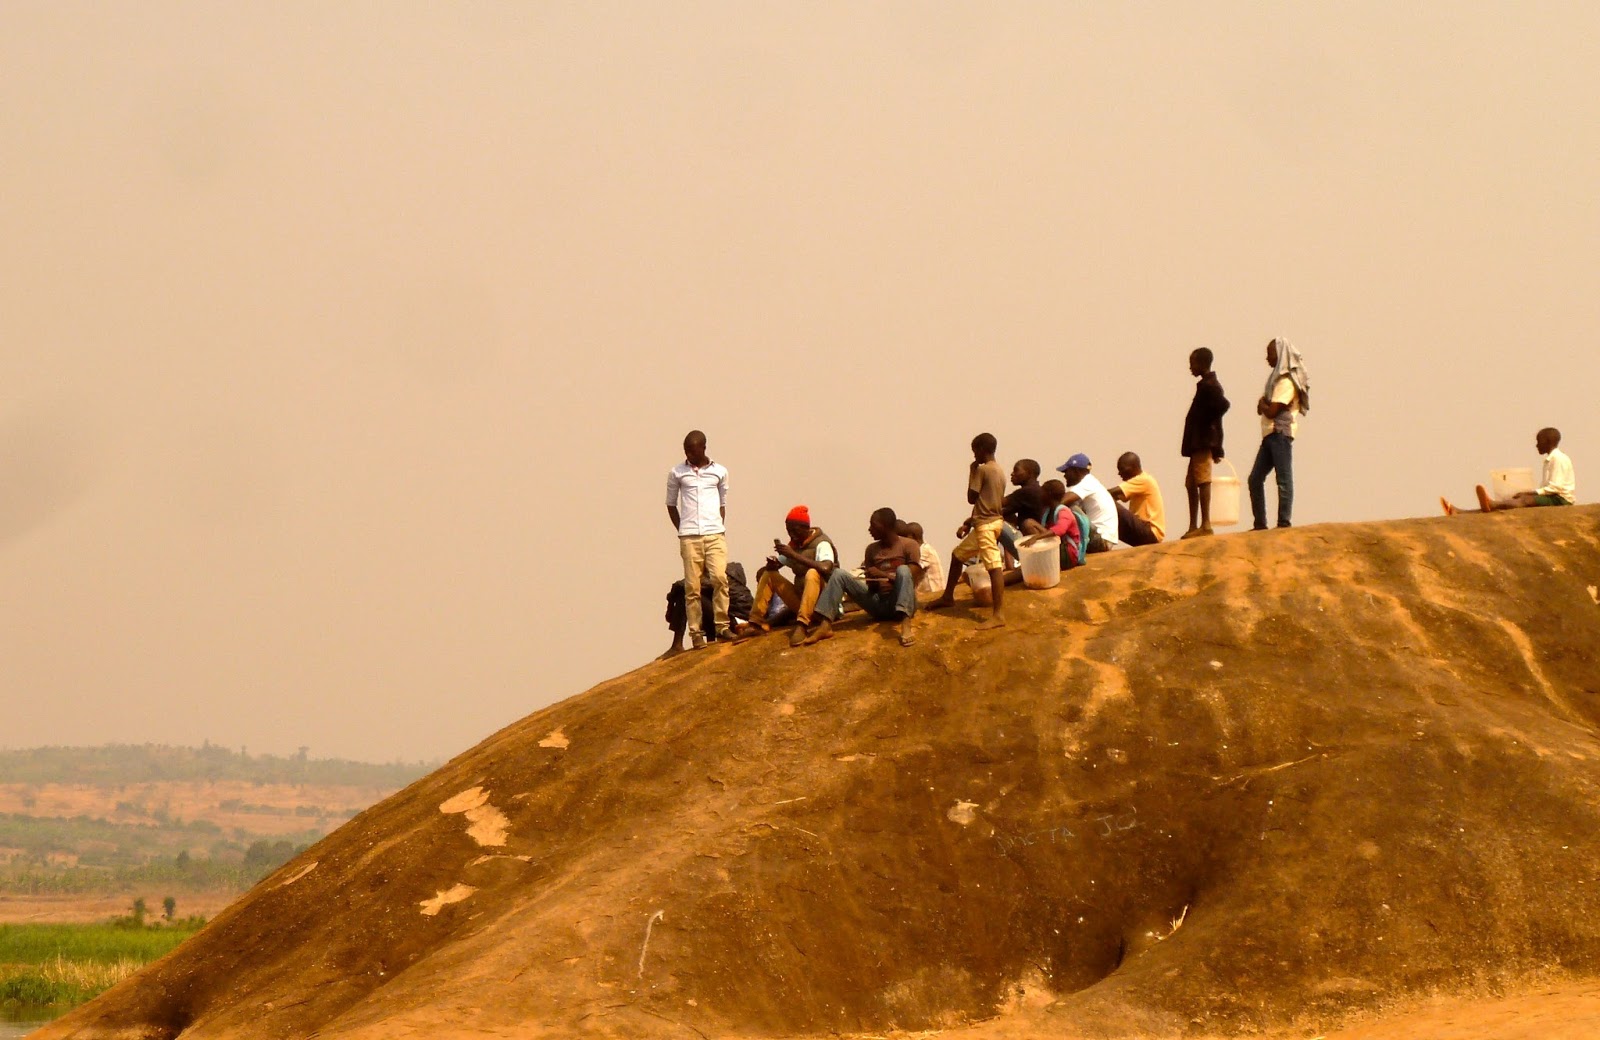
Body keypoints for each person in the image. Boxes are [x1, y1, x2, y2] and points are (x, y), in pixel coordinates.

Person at [804, 507, 923, 647]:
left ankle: (905, 624)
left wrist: (883, 575)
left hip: (901, 601)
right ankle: (825, 625)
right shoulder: (871, 549)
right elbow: (872, 589)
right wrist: (870, 579)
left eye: (873, 525)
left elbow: (912, 575)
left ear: (885, 526)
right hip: (879, 603)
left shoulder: (909, 545)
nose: (869, 529)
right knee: (838, 574)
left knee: (903, 570)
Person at [930, 433, 1008, 629]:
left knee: (993, 566)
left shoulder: (982, 470)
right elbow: (985, 501)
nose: (974, 456)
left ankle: (998, 614)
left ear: (982, 449)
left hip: (986, 526)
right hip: (990, 521)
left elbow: (972, 498)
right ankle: (948, 596)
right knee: (957, 556)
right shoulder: (999, 470)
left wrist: (972, 471)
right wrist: (969, 523)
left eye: (975, 451)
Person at [736, 505, 837, 646]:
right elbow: (778, 565)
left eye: (794, 530)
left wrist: (793, 555)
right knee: (769, 575)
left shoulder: (822, 543)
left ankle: (802, 625)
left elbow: (826, 567)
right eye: (788, 531)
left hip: (824, 607)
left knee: (813, 573)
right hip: (803, 602)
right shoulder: (796, 545)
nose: (791, 535)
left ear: (805, 528)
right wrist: (772, 564)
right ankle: (756, 623)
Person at [666, 430, 730, 649]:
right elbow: (671, 504)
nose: (688, 455)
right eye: (686, 451)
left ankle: (723, 626)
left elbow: (723, 502)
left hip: (714, 533)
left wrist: (718, 526)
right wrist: (683, 527)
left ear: (703, 448)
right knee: (692, 587)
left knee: (720, 578)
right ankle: (696, 633)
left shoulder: (719, 472)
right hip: (690, 536)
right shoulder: (677, 472)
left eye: (692, 450)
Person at [1249, 338, 1309, 530]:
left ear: (1280, 353)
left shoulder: (1286, 382)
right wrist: (1265, 406)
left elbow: (1272, 410)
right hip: (1270, 435)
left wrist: (1263, 404)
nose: (1267, 357)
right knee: (1255, 479)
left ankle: (1284, 522)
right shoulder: (1275, 381)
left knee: (1283, 479)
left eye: (1270, 353)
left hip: (1279, 434)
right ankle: (1260, 524)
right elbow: (1266, 407)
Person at [1443, 428, 1577, 514]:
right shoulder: (1550, 459)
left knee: (1524, 500)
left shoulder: (1558, 459)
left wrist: (1529, 493)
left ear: (1547, 442)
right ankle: (1462, 513)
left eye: (1539, 441)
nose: (1537, 445)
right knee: (1512, 502)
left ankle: (1492, 504)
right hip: (1553, 497)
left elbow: (1556, 488)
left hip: (1560, 500)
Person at [1180, 347, 1230, 538]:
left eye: (1192, 363)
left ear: (1201, 364)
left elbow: (1223, 406)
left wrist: (1213, 439)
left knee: (1202, 480)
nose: (1190, 367)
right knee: (1191, 483)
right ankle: (1194, 525)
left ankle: (1205, 524)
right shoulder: (1205, 385)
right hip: (1197, 442)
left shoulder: (1211, 386)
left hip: (1202, 441)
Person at [660, 562, 753, 660]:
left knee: (687, 594)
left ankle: (677, 644)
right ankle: (710, 638)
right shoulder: (733, 572)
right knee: (701, 596)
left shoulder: (716, 575)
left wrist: (670, 605)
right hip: (743, 619)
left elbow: (683, 585)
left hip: (734, 623)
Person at [1055, 453, 1122, 551]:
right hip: (1103, 538)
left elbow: (1062, 502)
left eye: (1066, 472)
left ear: (1076, 471)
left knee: (1069, 508)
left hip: (1101, 539)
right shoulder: (1091, 483)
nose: (1065, 476)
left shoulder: (1087, 483)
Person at [1019, 479, 1085, 571]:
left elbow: (1060, 530)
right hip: (1058, 548)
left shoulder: (1063, 511)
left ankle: (1042, 562)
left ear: (1049, 494)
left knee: (1029, 523)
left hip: (1067, 554)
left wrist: (1036, 537)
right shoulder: (1048, 511)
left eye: (1042, 492)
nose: (1040, 496)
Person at [1108, 452, 1166, 546]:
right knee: (1103, 510)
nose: (1119, 473)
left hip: (1150, 531)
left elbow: (1110, 494)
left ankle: (1102, 543)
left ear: (1134, 467)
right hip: (1145, 532)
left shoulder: (1144, 480)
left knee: (1108, 504)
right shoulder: (1137, 484)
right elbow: (1115, 496)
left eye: (1122, 469)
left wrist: (1087, 495)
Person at [998, 459, 1045, 564]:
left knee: (994, 522)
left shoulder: (1027, 491)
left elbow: (997, 503)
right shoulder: (1034, 490)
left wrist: (991, 484)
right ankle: (1010, 562)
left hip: (1036, 543)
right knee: (1005, 516)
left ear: (1029, 473)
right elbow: (1005, 511)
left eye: (1016, 470)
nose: (1012, 474)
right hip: (1040, 538)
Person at [898, 520, 946, 596]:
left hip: (933, 593)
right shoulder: (923, 548)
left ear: (911, 536)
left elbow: (910, 572)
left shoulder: (924, 551)